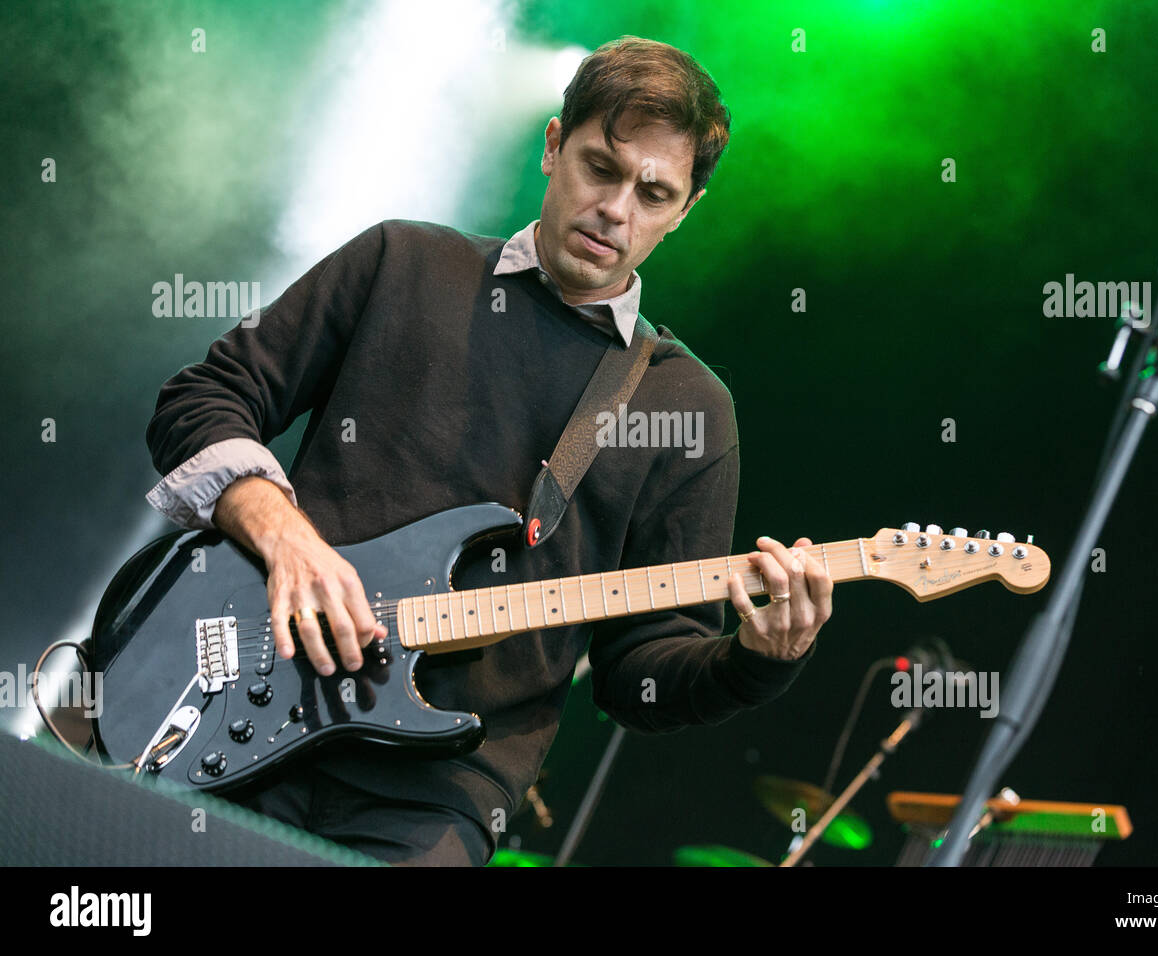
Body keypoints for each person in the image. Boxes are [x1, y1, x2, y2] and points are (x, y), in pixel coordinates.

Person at [143, 36, 833, 866]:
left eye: (654, 193)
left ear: (683, 211)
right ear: (552, 146)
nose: (617, 209)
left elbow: (637, 674)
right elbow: (202, 398)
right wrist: (284, 534)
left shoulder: (689, 408)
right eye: (601, 168)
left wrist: (758, 660)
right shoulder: (402, 262)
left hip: (436, 794)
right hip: (239, 693)